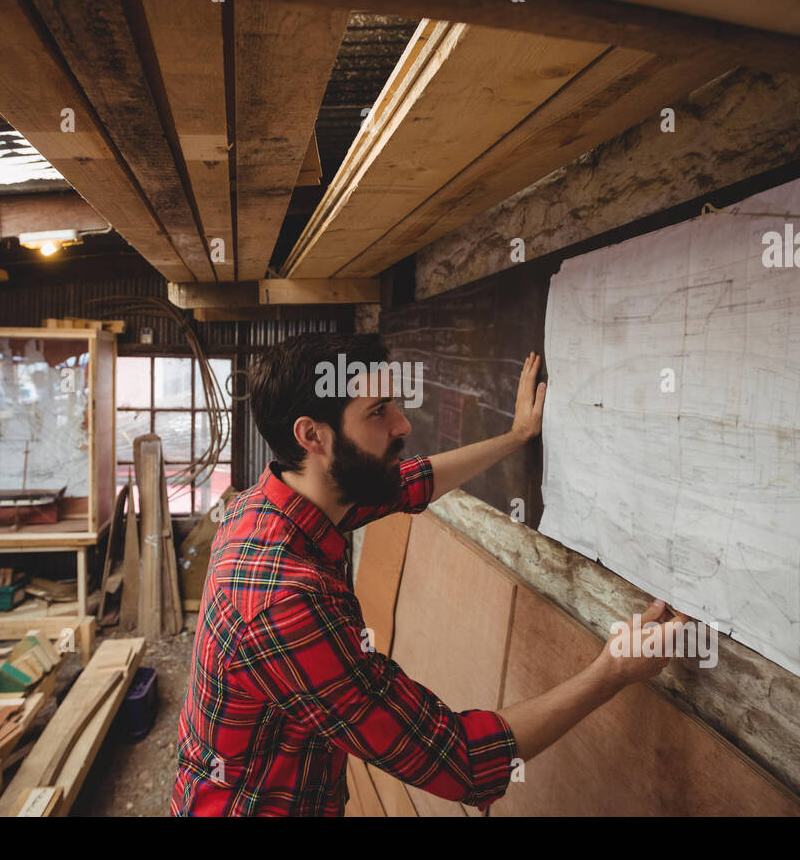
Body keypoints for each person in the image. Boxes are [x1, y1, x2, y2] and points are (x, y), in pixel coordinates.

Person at [170, 332, 688, 815]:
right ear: (312, 435)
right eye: (378, 412)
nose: (402, 425)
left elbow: (409, 483)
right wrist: (614, 670)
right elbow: (463, 763)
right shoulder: (285, 605)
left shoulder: (268, 503)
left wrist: (517, 436)